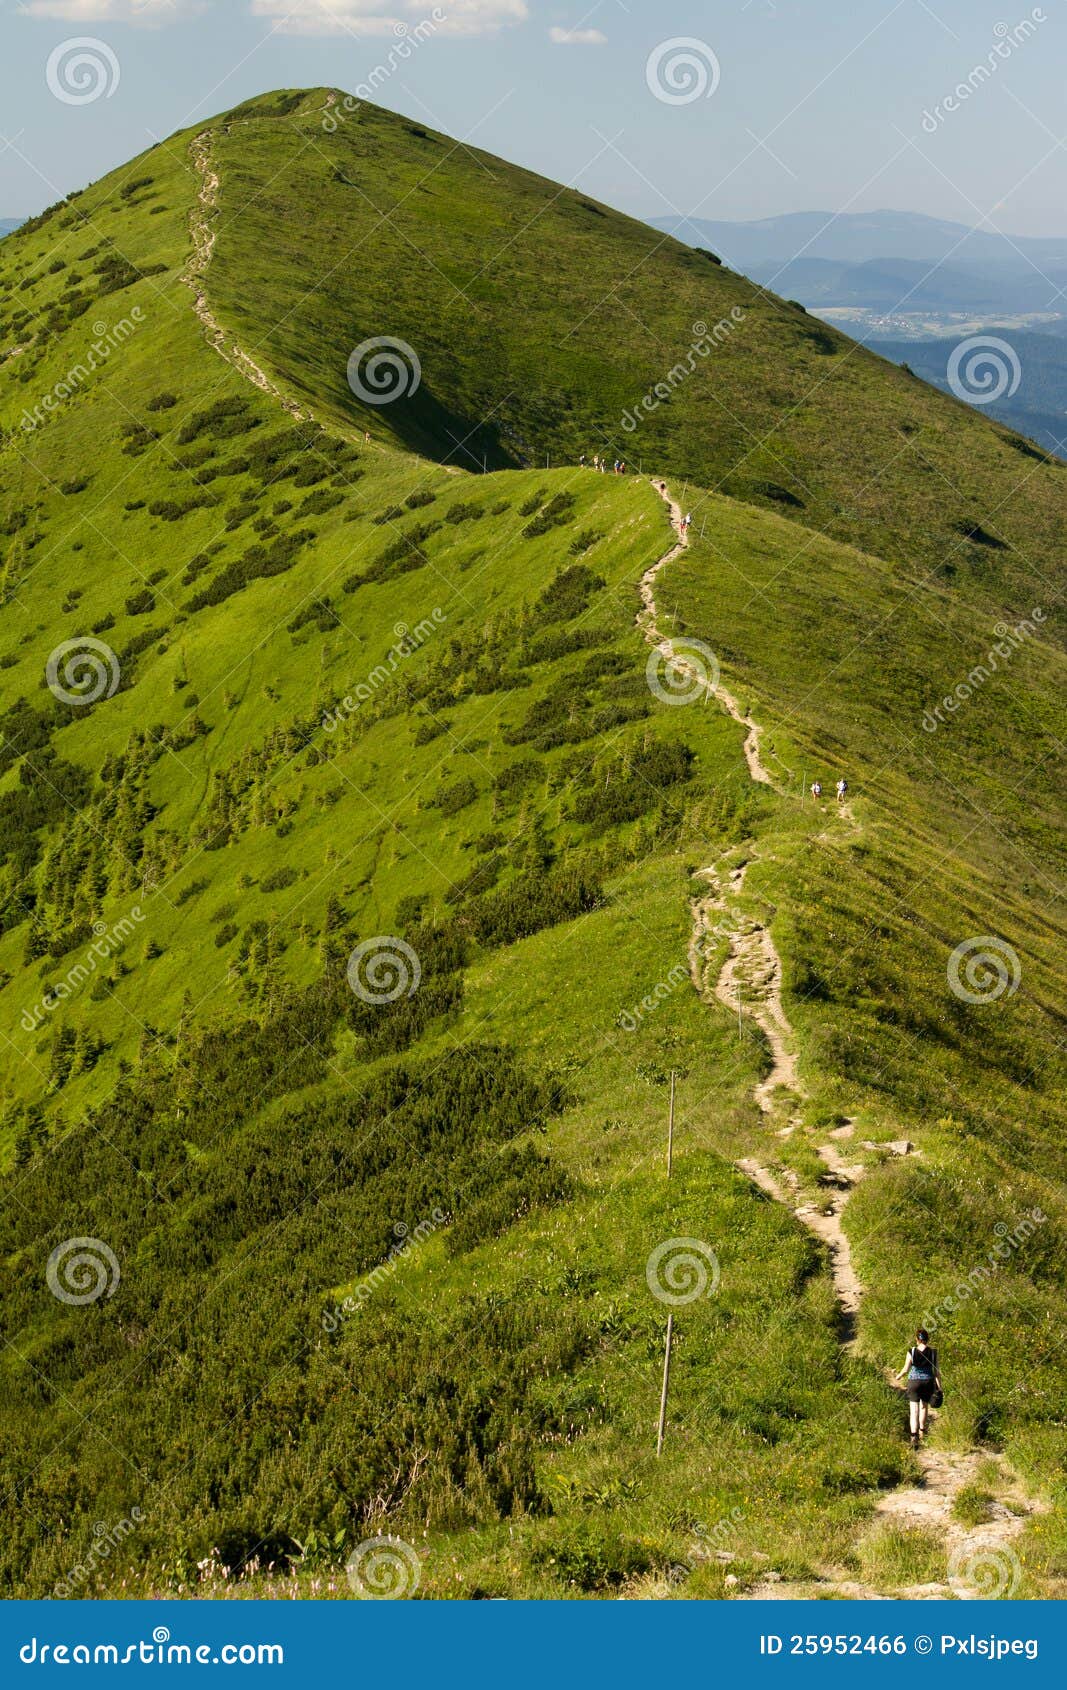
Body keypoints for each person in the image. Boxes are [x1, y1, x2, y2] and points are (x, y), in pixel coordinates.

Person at [895, 1328, 942, 1448]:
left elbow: (906, 1369)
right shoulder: (933, 1352)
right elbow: (937, 1372)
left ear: (917, 1339)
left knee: (913, 1410)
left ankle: (913, 1437)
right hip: (927, 1382)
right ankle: (922, 1431)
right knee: (924, 1407)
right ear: (927, 1339)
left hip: (914, 1382)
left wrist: (899, 1376)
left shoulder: (911, 1351)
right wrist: (940, 1388)